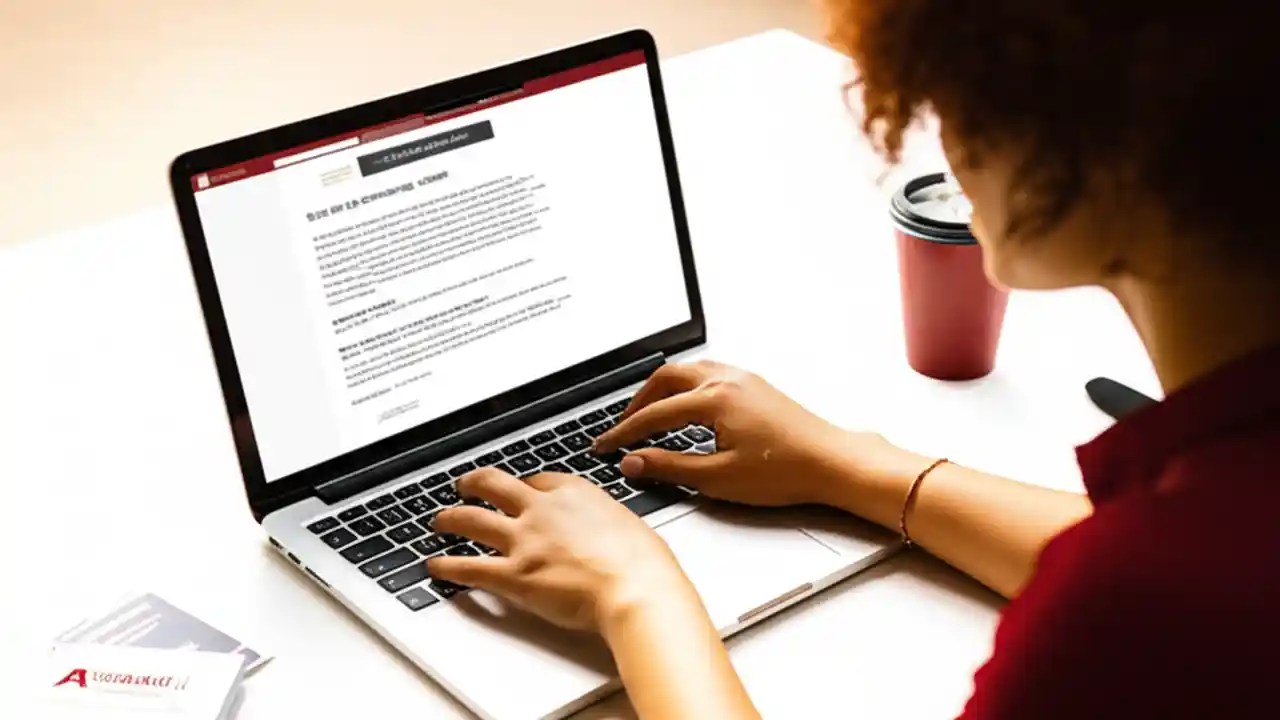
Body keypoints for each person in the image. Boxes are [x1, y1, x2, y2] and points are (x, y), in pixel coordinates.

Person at [427, 1, 1280, 717]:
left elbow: (1157, 596)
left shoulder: (1138, 608)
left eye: (966, 96)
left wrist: (633, 591)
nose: (943, 142)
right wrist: (851, 468)